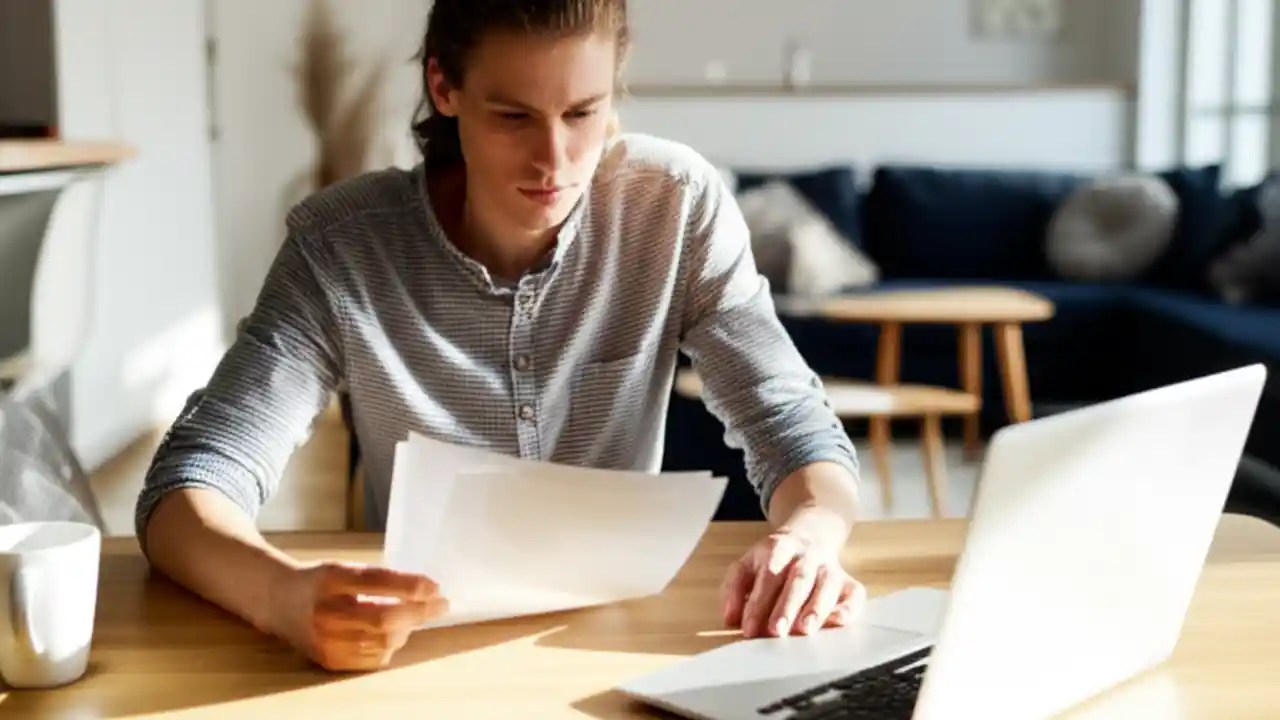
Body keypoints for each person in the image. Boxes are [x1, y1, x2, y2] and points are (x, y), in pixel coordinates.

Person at [136, 0, 864, 673]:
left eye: (583, 111)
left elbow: (795, 429)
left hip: (618, 643)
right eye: (514, 116)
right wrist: (282, 597)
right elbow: (187, 489)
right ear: (444, 86)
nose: (554, 160)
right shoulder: (342, 247)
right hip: (412, 653)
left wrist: (812, 535)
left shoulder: (674, 209)